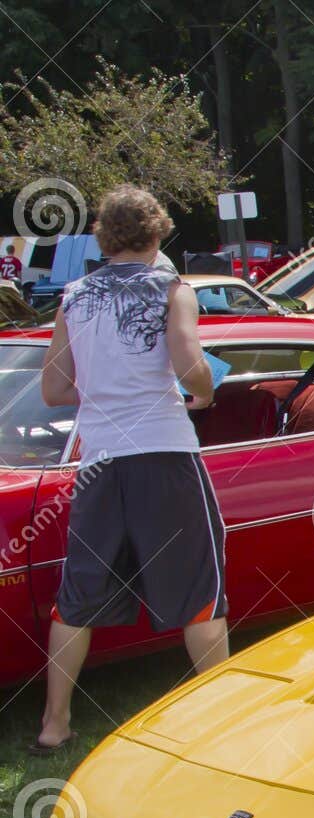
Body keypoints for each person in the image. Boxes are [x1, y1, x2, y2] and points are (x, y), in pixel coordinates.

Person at [33, 185, 226, 754]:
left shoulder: (73, 295)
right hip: (163, 451)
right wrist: (205, 392)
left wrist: (102, 389)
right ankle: (222, 717)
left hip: (98, 462)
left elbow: (52, 389)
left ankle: (53, 725)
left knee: (77, 597)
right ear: (157, 232)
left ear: (104, 236)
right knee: (200, 590)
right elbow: (190, 363)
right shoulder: (172, 288)